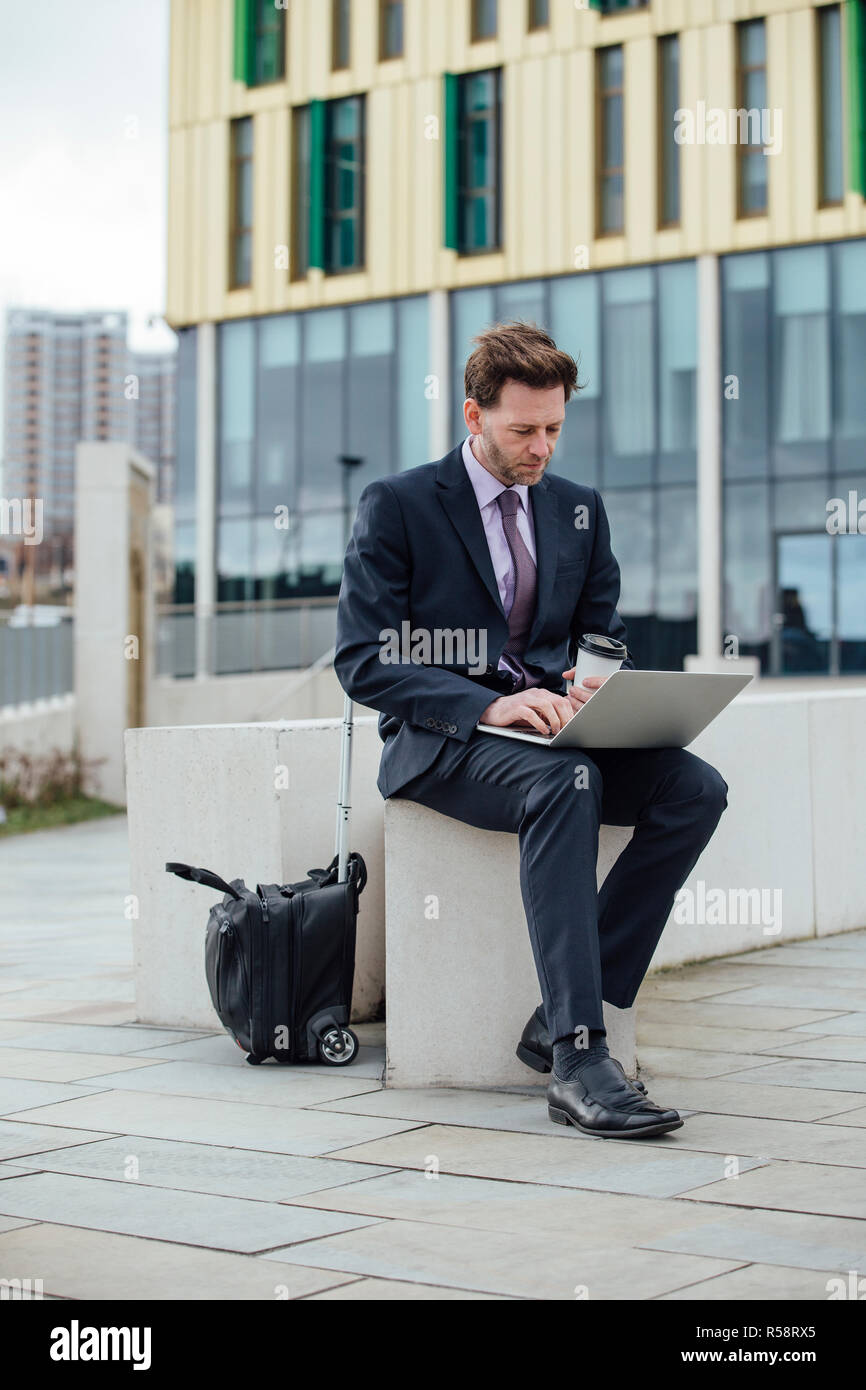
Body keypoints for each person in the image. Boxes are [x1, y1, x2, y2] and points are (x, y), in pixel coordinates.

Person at [334, 321, 728, 1140]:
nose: (541, 446)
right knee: (567, 782)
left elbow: (601, 631)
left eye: (553, 427)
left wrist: (594, 689)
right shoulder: (401, 505)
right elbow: (362, 660)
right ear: (474, 416)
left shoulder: (578, 509)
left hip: (552, 733)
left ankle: (556, 1014)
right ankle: (581, 1060)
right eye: (523, 429)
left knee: (696, 788)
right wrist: (486, 704)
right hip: (444, 742)